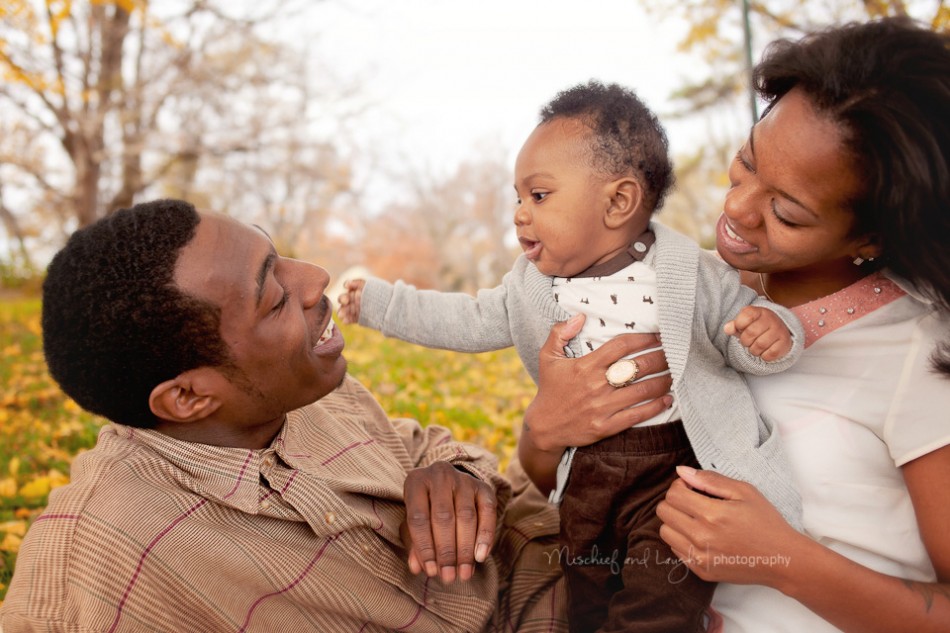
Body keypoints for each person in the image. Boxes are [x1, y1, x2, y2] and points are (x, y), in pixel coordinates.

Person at [519, 17, 950, 633]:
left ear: (875, 234)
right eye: (746, 162)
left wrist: (781, 560)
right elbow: (569, 481)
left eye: (785, 212)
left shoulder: (919, 352)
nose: (737, 208)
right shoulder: (684, 290)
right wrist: (543, 429)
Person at [337, 81, 805, 633]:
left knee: (660, 592)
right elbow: (462, 318)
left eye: (538, 196)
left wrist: (774, 333)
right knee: (588, 591)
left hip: (675, 466)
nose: (519, 214)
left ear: (617, 201)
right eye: (517, 197)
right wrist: (380, 303)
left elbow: (742, 329)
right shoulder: (531, 287)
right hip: (587, 471)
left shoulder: (689, 272)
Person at [0, 199, 570, 633]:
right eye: (272, 298)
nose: (316, 277)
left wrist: (457, 478)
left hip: (550, 576)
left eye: (277, 255)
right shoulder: (104, 555)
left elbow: (424, 446)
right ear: (190, 399)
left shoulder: (305, 389)